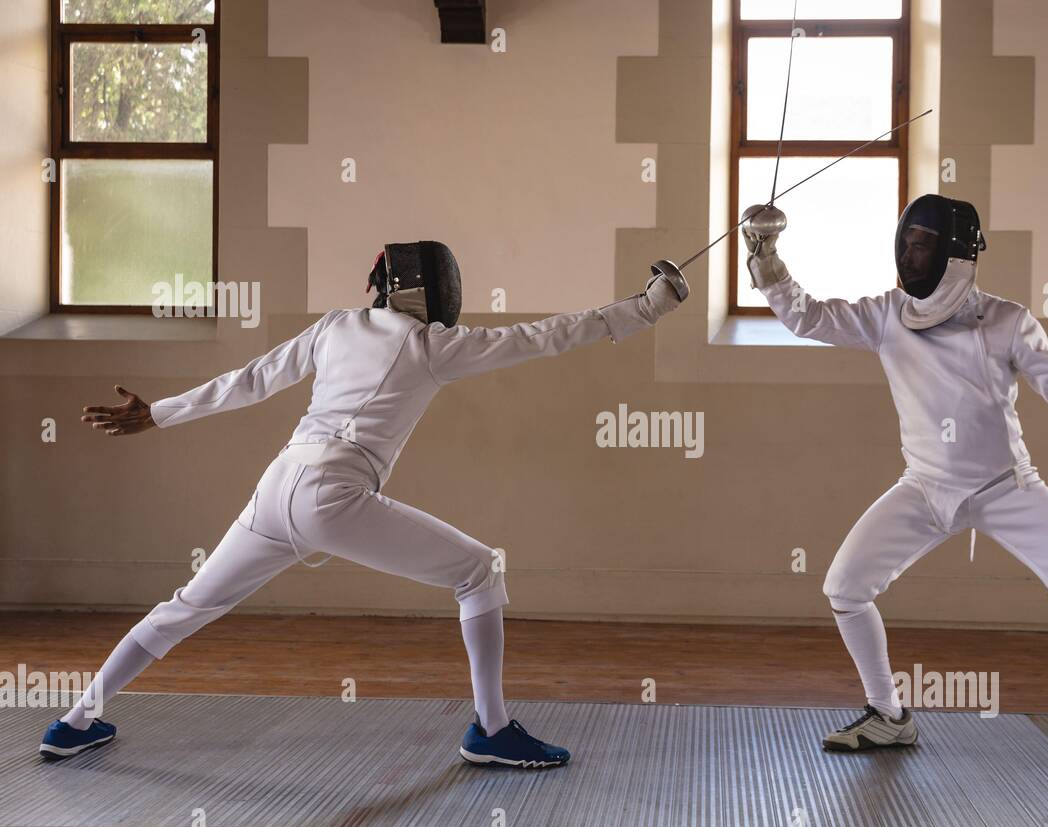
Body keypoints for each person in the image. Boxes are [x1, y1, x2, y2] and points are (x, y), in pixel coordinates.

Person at [43, 241, 687, 768]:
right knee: (479, 570)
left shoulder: (335, 326)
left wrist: (158, 413)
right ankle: (490, 730)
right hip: (332, 495)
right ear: (428, 289)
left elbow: (252, 380)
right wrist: (646, 307)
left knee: (185, 607)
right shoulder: (431, 346)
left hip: (277, 486)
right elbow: (545, 336)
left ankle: (76, 721)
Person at [742, 195, 1048, 756]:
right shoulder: (886, 315)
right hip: (926, 488)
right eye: (907, 244)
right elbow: (806, 316)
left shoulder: (1008, 320)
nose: (911, 257)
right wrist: (767, 258)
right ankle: (887, 713)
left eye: (924, 245)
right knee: (843, 587)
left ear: (958, 255)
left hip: (1006, 487)